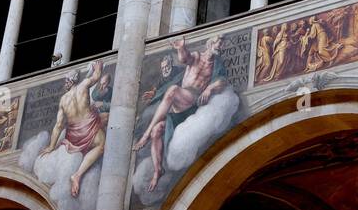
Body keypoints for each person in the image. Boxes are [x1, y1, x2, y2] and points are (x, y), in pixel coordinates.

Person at [132, 37, 228, 193]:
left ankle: (145, 135)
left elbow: (222, 80)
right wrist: (181, 48)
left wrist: (210, 88)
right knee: (158, 131)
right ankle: (158, 170)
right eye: (219, 43)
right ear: (211, 43)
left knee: (173, 91)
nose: (221, 47)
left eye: (223, 45)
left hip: (193, 103)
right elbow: (185, 59)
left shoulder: (217, 64)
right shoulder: (197, 56)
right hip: (179, 107)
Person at [39, 63, 109, 198]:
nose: (65, 83)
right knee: (102, 145)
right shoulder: (83, 85)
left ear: (71, 81)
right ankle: (77, 175)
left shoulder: (63, 100)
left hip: (74, 135)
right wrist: (98, 66)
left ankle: (77, 174)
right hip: (89, 127)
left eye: (66, 80)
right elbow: (96, 76)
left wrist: (51, 146)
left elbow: (59, 125)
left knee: (105, 116)